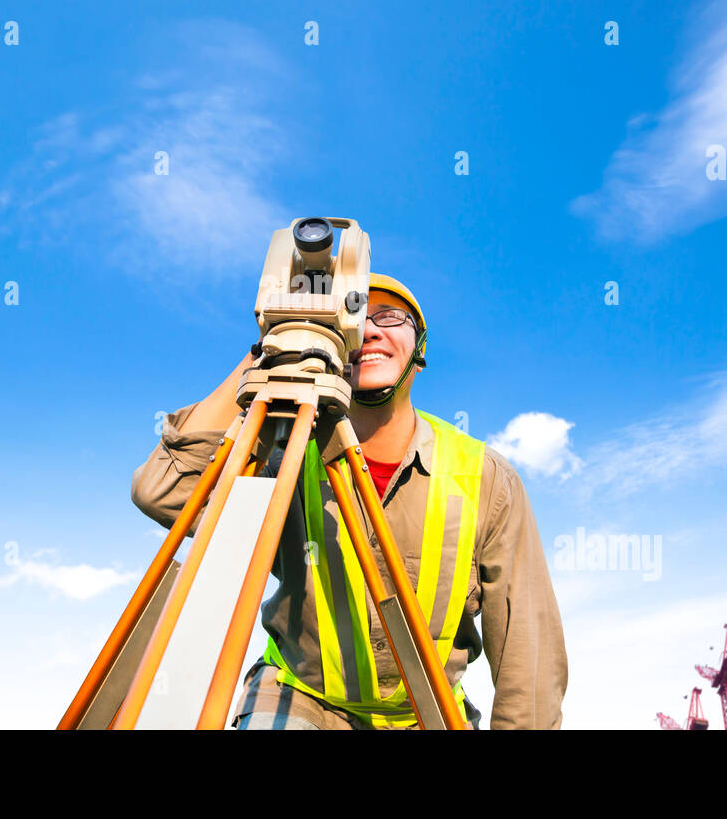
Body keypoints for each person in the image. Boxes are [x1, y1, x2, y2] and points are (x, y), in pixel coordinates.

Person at [131, 273, 567, 729]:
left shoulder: (487, 477)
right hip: (299, 699)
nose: (370, 330)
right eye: (353, 319)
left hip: (426, 712)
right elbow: (164, 492)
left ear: (419, 354)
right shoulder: (285, 453)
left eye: (391, 316)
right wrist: (272, 348)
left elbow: (527, 651)